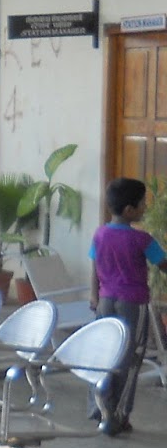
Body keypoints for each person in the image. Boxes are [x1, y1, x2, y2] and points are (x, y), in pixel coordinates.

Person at [88, 177, 166, 434]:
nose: (146, 207)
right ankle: (117, 416)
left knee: (103, 354)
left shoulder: (100, 234)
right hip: (133, 304)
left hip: (105, 302)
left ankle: (99, 407)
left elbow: (94, 266)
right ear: (130, 210)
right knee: (130, 358)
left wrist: (94, 295)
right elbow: (163, 265)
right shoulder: (142, 240)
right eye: (143, 204)